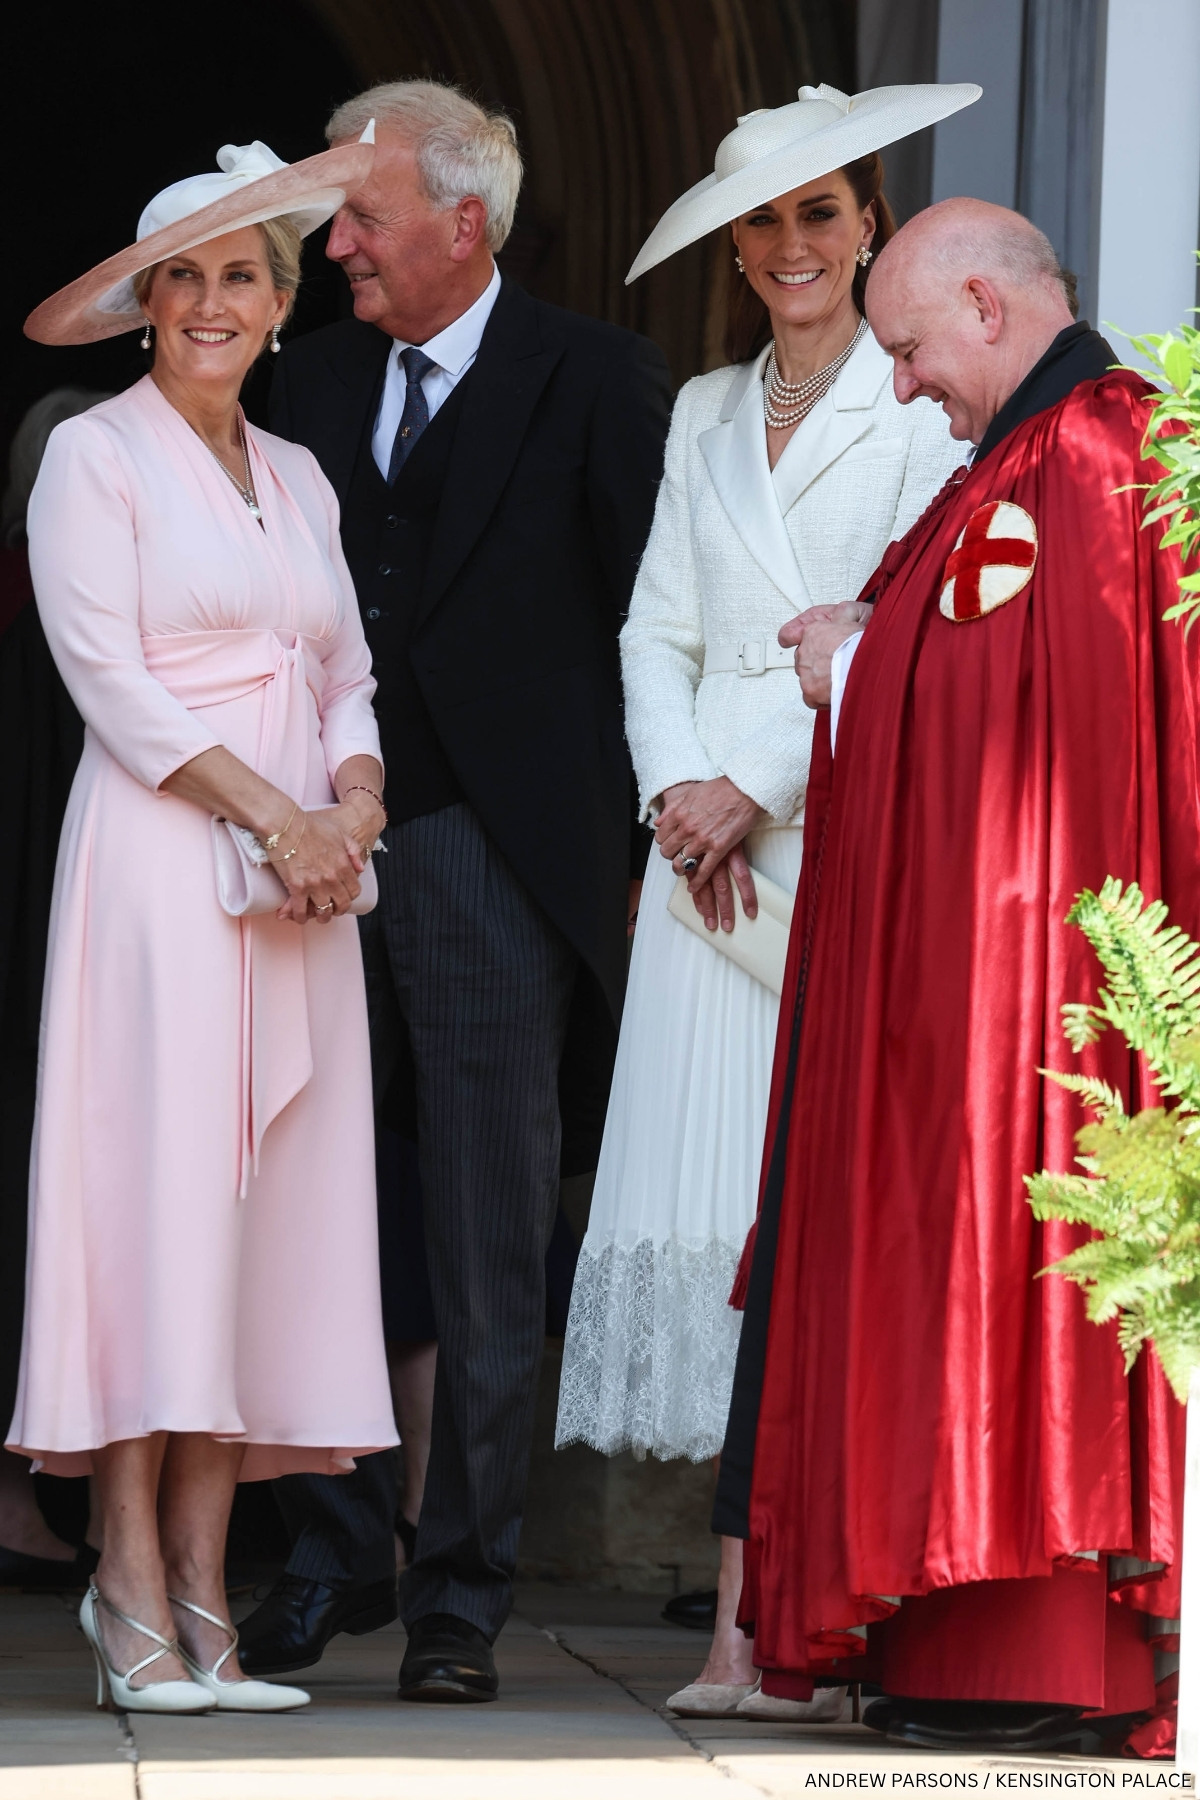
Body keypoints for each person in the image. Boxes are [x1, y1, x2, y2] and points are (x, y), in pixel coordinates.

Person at [715, 198, 1196, 1753]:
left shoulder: (1090, 456)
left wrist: (856, 656)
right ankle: (955, 1636)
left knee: (1021, 1270)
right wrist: (875, 626)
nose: (905, 385)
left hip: (1033, 985)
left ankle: (1030, 1661)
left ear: (988, 309)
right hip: (985, 966)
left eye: (913, 349)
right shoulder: (1021, 465)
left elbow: (1028, 709)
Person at [234, 80, 673, 1705]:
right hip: (313, 855)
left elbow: (647, 627)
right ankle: (332, 1557)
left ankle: (463, 1595)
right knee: (303, 1208)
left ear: (463, 221)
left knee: (490, 1239)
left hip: (500, 860)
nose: (333, 247)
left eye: (361, 216)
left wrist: (624, 868)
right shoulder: (312, 378)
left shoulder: (597, 378)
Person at [554, 81, 976, 1724]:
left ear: (869, 222)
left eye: (821, 211)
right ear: (736, 248)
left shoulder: (919, 401)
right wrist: (677, 793)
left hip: (824, 834)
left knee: (807, 1236)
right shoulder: (703, 410)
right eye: (766, 221)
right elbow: (652, 629)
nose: (793, 243)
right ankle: (741, 1620)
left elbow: (902, 626)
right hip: (696, 868)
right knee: (718, 1222)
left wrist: (759, 787)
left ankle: (797, 1622)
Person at [7, 133, 397, 1715]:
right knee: (158, 1210)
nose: (216, 302)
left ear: (282, 301)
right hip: (165, 874)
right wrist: (281, 813)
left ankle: (210, 1593)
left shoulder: (299, 474)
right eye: (189, 279)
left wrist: (351, 810)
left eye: (245, 274)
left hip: (309, 890)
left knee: (267, 1225)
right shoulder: (89, 458)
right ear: (147, 305)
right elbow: (108, 679)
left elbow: (350, 675)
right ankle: (124, 1584)